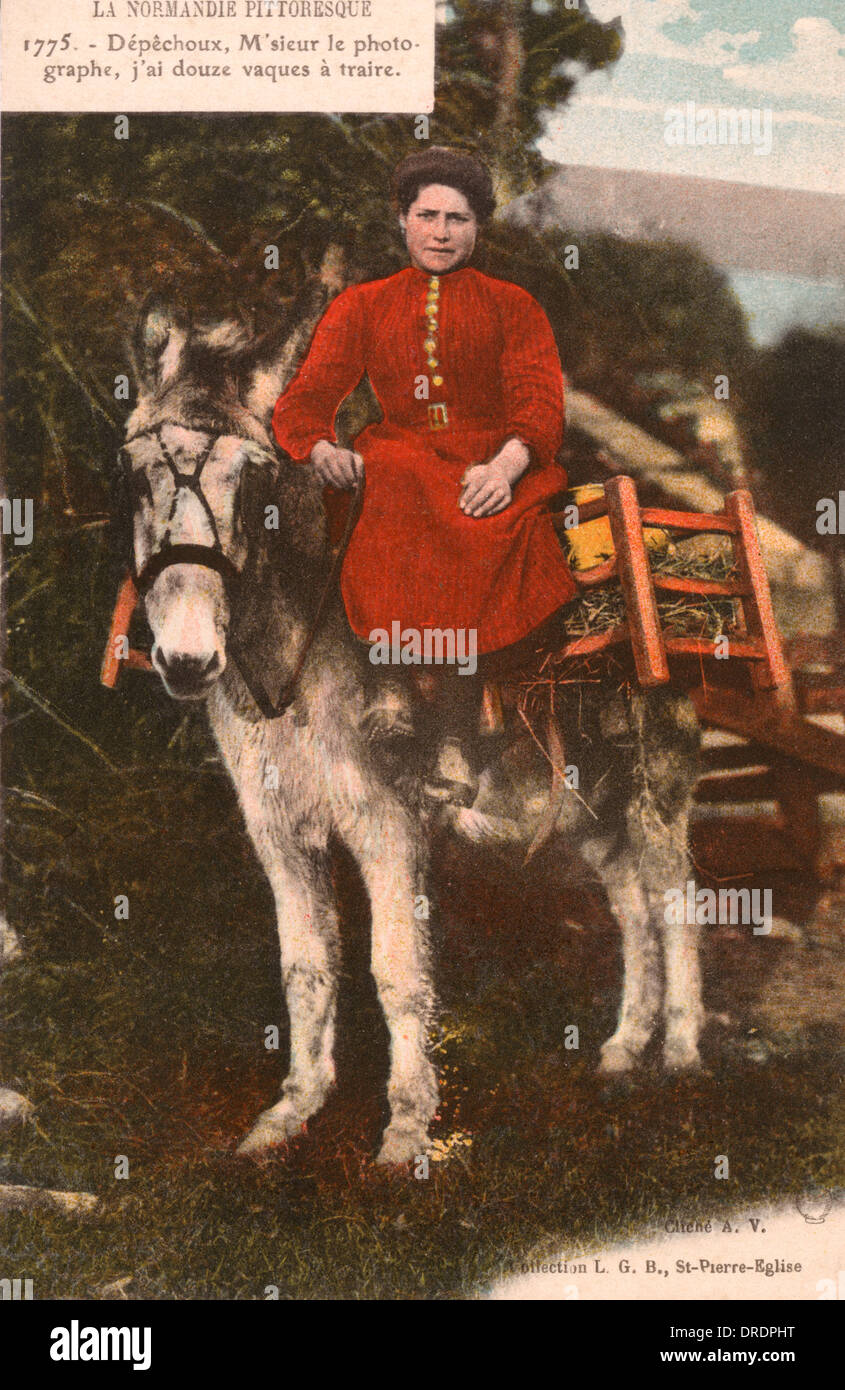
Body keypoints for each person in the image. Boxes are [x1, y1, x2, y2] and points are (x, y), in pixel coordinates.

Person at [272, 146, 576, 805]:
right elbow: (302, 401)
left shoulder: (512, 305)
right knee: (385, 467)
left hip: (495, 468)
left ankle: (454, 737)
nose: (441, 233)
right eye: (427, 216)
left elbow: (539, 407)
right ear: (401, 221)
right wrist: (319, 447)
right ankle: (387, 684)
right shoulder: (361, 306)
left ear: (478, 228)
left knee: (471, 518)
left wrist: (506, 463)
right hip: (399, 462)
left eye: (458, 219)